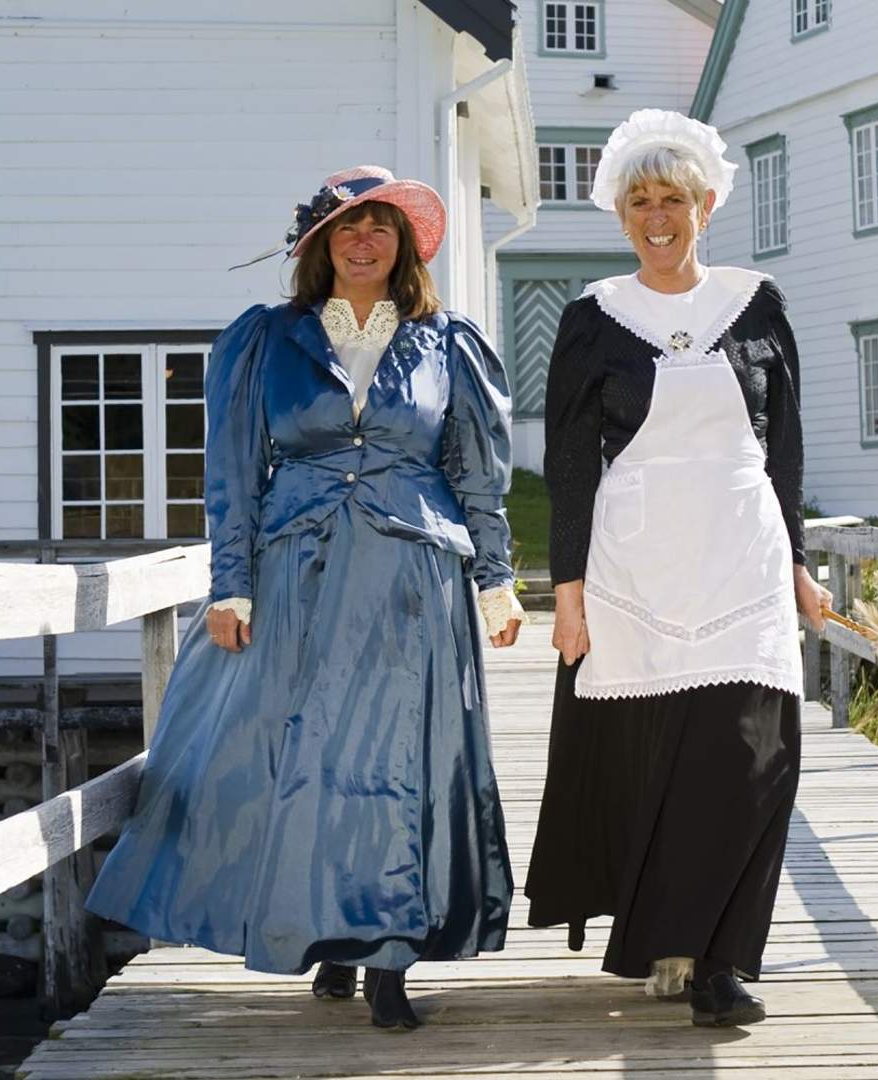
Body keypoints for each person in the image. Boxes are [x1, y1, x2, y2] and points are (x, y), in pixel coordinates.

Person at [86, 166, 524, 1032]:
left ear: (404, 247)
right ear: (319, 245)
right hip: (299, 572)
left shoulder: (447, 343)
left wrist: (497, 577)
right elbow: (232, 473)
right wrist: (232, 584)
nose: (364, 242)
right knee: (301, 758)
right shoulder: (266, 340)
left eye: (381, 228)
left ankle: (388, 953)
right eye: (348, 228)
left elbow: (478, 472)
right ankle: (323, 934)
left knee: (397, 765)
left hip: (412, 578)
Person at [521, 110, 832, 1028]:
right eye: (640, 202)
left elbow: (788, 450)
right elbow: (571, 465)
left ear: (705, 206)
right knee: (658, 758)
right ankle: (677, 944)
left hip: (744, 552)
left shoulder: (757, 302)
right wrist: (567, 595)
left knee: (752, 758)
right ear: (622, 217)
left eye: (675, 200)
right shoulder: (593, 317)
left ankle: (722, 958)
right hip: (636, 564)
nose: (658, 217)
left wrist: (802, 565)